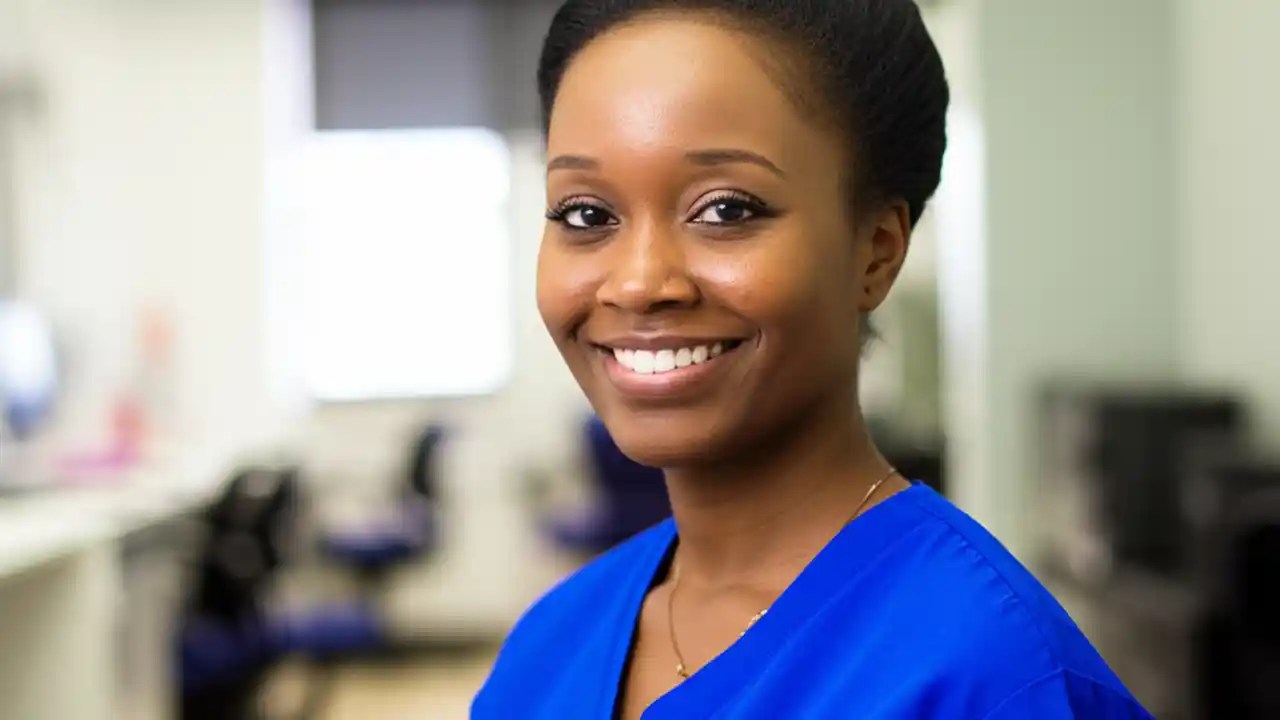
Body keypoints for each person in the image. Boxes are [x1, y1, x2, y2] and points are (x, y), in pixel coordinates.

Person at [474, 0, 1152, 717]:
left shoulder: (994, 679)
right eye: (585, 214)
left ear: (876, 251)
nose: (641, 282)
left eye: (726, 209)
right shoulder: (552, 645)